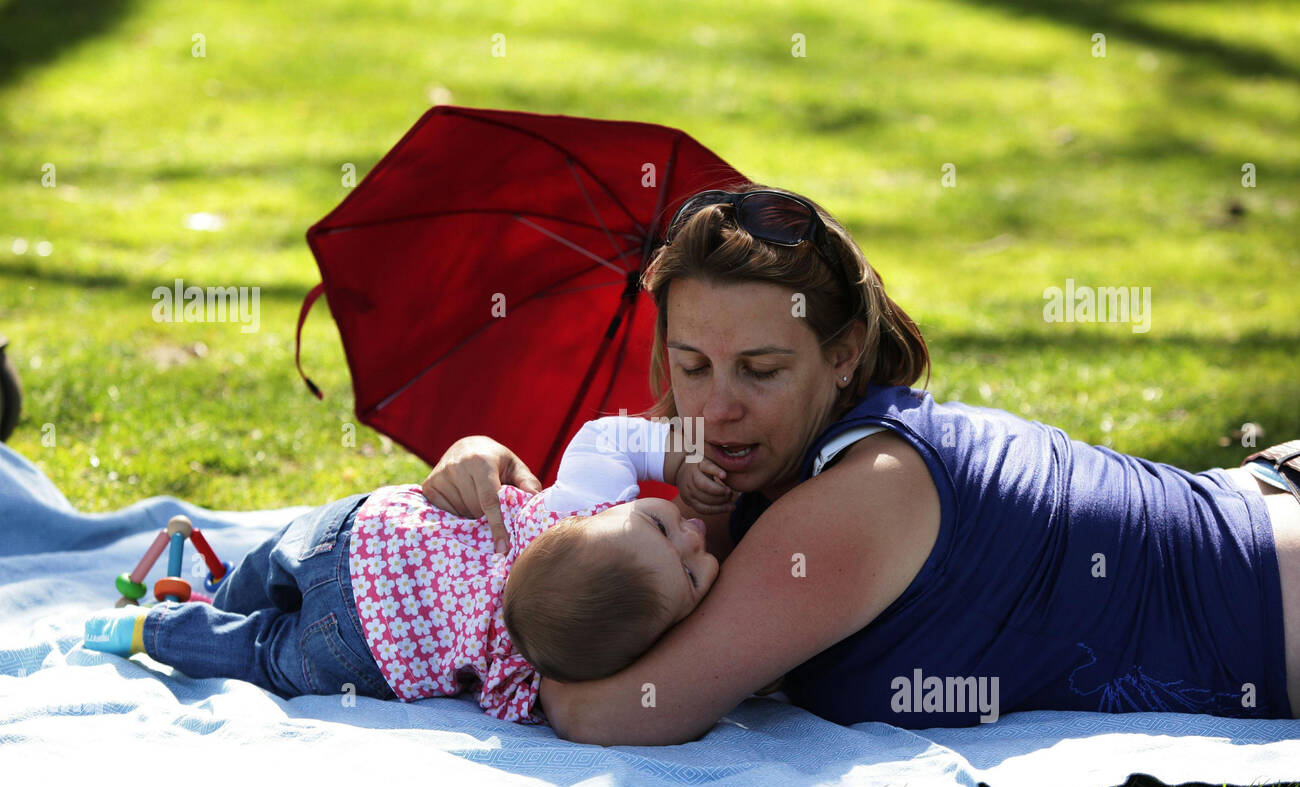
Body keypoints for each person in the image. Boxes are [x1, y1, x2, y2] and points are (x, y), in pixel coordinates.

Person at [419, 182, 1300, 745]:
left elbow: (612, 706)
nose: (716, 407)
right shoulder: (741, 471)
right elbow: (590, 542)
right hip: (1253, 489)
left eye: (761, 370)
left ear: (843, 357)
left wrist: (517, 619)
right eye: (691, 365)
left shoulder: (855, 501)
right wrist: (489, 473)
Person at [82, 415, 724, 722]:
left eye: (690, 574)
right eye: (664, 524)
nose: (692, 535)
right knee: (257, 654)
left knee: (261, 571)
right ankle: (154, 632)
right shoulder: (561, 664)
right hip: (365, 654)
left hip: (358, 538)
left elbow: (602, 439)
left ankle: (217, 594)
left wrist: (681, 453)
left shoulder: (581, 503)